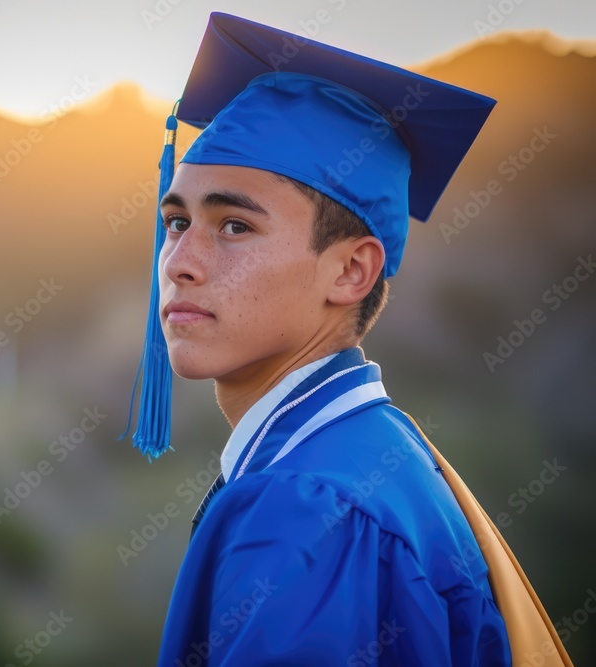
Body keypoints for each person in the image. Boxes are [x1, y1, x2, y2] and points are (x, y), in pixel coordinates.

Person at [122, 13, 572, 666]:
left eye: (235, 226)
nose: (179, 260)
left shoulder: (309, 507)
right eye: (176, 220)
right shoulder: (376, 457)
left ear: (352, 270)